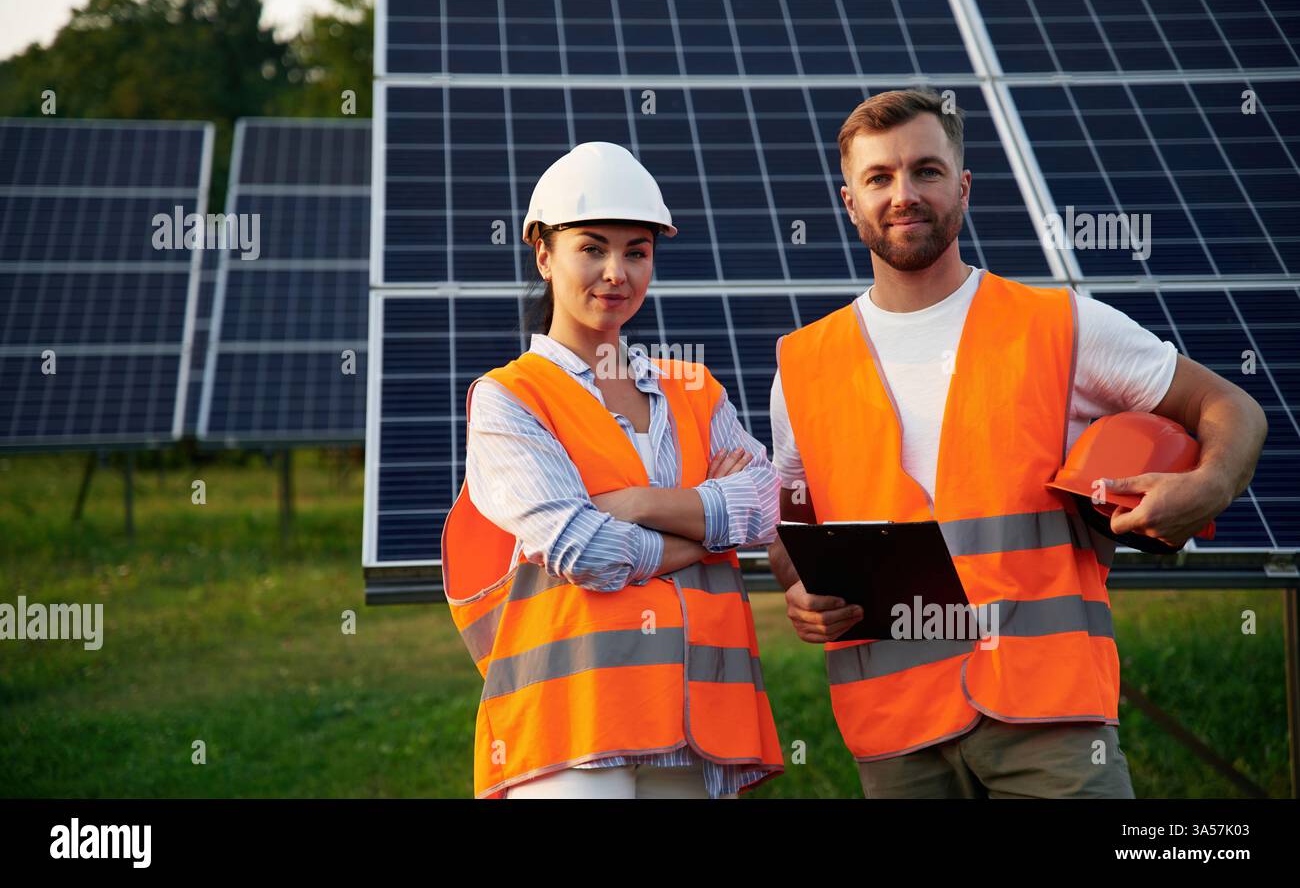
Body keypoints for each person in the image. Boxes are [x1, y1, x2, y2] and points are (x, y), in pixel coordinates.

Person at [768, 88, 1267, 798]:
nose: (903, 194)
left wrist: (1212, 484)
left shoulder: (1061, 325)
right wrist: (798, 590)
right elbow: (794, 524)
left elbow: (1231, 404)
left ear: (963, 188)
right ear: (849, 201)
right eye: (879, 178)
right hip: (894, 730)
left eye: (927, 171)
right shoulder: (801, 367)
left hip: (1051, 720)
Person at [441, 141, 784, 799]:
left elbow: (765, 504)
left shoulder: (694, 387)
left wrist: (641, 503)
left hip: (695, 726)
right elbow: (585, 549)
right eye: (592, 248)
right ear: (544, 253)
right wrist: (709, 526)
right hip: (571, 732)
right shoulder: (509, 398)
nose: (615, 272)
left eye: (636, 251)